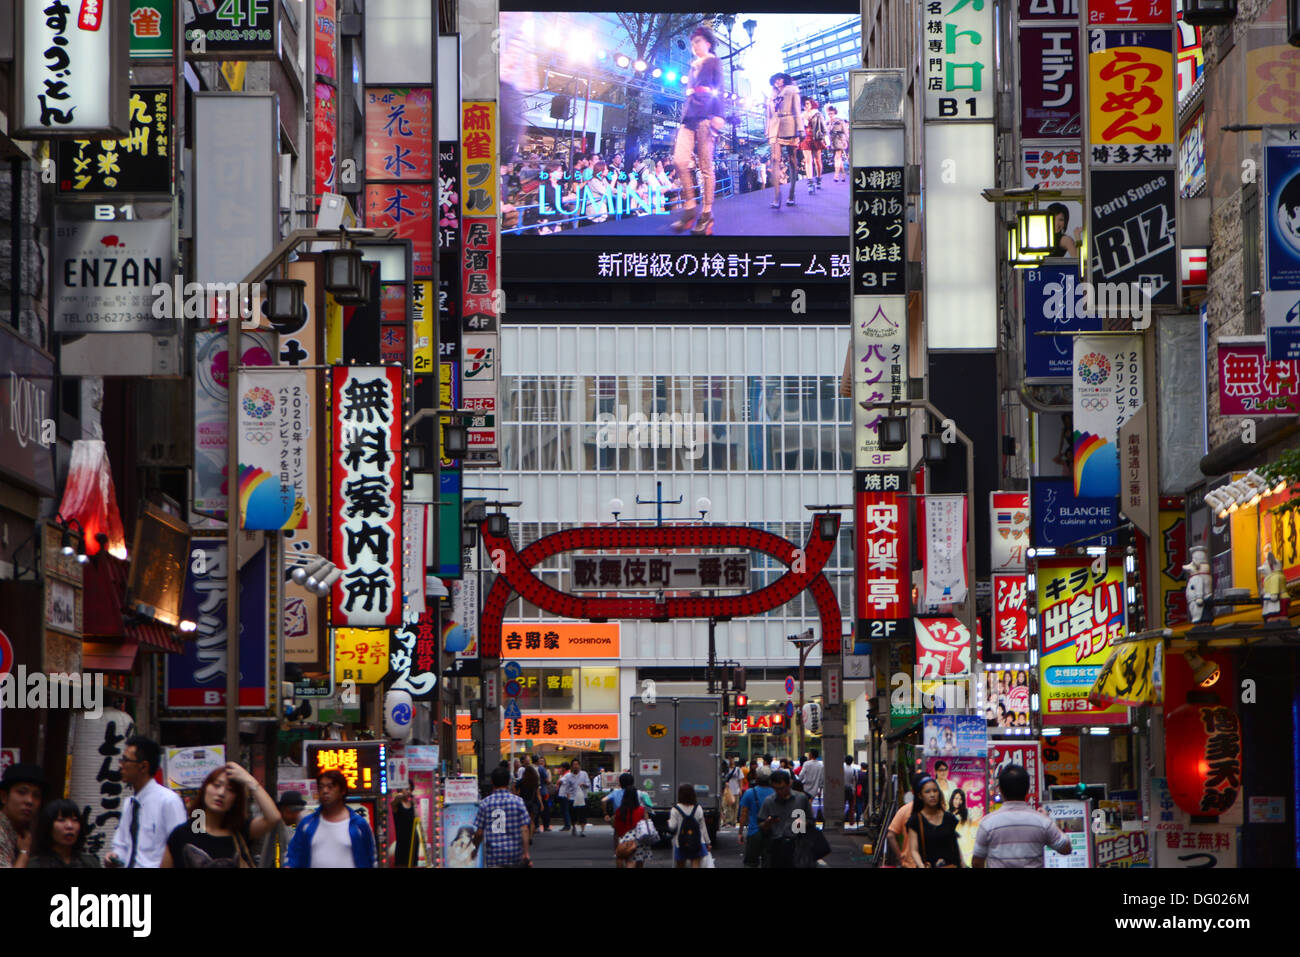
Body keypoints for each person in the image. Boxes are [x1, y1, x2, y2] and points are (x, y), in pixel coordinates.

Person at [163, 762, 280, 868]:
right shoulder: (181, 834)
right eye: (216, 785)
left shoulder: (240, 831)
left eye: (230, 789)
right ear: (205, 789)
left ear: (236, 799)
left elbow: (273, 817)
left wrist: (249, 780)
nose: (221, 793)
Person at [671, 26, 724, 235]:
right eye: (693, 43)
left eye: (698, 42)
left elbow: (720, 88)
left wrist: (718, 114)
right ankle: (690, 208)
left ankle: (706, 214)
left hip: (707, 115)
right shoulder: (692, 65)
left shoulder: (713, 62)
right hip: (688, 116)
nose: (694, 46)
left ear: (708, 43)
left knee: (705, 167)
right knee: (679, 160)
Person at [106, 736, 187, 868]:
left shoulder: (168, 801)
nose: (121, 765)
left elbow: (180, 846)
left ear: (143, 766)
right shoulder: (130, 803)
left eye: (125, 760)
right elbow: (121, 844)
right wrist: (114, 856)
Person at [972, 765, 1072, 868]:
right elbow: (1066, 848)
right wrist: (1048, 819)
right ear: (1028, 788)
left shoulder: (987, 823)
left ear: (1000, 790)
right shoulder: (1042, 821)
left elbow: (976, 862)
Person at [285, 770, 377, 868]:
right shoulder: (307, 824)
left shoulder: (359, 825)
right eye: (321, 787)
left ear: (343, 791)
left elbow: (371, 859)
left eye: (330, 787)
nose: (325, 791)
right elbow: (292, 855)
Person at [474, 765, 531, 868]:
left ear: (492, 782)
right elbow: (525, 829)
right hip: (515, 854)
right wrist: (526, 852)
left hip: (494, 855)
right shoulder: (518, 801)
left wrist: (475, 848)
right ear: (508, 781)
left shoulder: (485, 803)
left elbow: (479, 833)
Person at [758, 769, 814, 868]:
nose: (779, 792)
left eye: (782, 788)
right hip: (776, 847)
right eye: (776, 789)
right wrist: (768, 823)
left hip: (798, 845)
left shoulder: (801, 799)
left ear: (789, 784)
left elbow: (811, 820)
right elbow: (761, 825)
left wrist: (804, 824)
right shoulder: (769, 801)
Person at [27, 799, 100, 869]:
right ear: (48, 826)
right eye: (61, 820)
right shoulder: (35, 864)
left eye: (75, 820)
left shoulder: (90, 863)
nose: (70, 826)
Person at [906, 776, 962, 868]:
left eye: (935, 791)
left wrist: (962, 863)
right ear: (920, 795)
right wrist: (921, 866)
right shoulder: (915, 820)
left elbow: (955, 845)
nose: (932, 795)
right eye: (927, 792)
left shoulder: (949, 818)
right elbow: (914, 850)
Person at [767, 72, 802, 208]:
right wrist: (767, 129)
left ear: (785, 80)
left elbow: (798, 110)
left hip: (790, 125)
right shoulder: (771, 94)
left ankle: (792, 193)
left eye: (779, 79)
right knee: (775, 160)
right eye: (775, 79)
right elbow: (768, 114)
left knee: (792, 160)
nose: (777, 81)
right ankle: (776, 195)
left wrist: (801, 129)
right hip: (774, 127)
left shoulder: (792, 90)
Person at [0, 762, 44, 868]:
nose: (29, 801)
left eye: (36, 795)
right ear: (4, 797)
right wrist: (24, 852)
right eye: (22, 792)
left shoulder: (17, 831)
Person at [611, 776, 653, 868]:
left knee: (622, 858)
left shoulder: (619, 811)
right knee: (638, 861)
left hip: (624, 838)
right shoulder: (641, 810)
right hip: (639, 839)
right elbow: (647, 823)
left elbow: (616, 827)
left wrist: (616, 843)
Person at [738, 765, 775, 868]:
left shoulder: (750, 793)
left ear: (757, 778)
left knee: (750, 863)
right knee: (768, 862)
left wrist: (740, 832)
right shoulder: (775, 793)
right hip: (771, 832)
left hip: (754, 832)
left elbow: (743, 815)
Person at [886, 773, 925, 868]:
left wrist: (900, 857)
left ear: (912, 791)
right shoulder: (937, 812)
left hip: (909, 863)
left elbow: (890, 835)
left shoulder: (904, 810)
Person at [668, 783, 710, 868]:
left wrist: (668, 822)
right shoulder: (698, 808)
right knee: (695, 863)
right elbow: (703, 827)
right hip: (697, 841)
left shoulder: (675, 809)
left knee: (680, 865)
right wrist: (708, 842)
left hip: (680, 842)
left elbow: (672, 826)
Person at [261, 790, 306, 868]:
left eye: (282, 811)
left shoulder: (305, 828)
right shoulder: (302, 824)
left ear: (289, 811)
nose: (281, 814)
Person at [558, 759, 590, 836]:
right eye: (574, 765)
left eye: (577, 764)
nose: (575, 766)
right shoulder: (568, 776)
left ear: (579, 765)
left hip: (583, 797)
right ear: (571, 767)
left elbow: (588, 784)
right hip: (572, 797)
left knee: (583, 815)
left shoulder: (584, 774)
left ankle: (582, 831)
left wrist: (583, 784)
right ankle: (574, 827)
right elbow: (564, 784)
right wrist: (567, 795)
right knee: (573, 815)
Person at [801, 99, 827, 191]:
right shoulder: (802, 115)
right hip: (806, 138)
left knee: (817, 160)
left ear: (811, 104)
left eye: (807, 103)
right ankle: (810, 183)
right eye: (804, 104)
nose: (806, 105)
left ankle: (819, 179)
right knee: (808, 160)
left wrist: (825, 139)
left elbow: (824, 127)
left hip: (816, 138)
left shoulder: (817, 114)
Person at [797, 748, 825, 817]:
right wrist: (820, 790)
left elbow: (801, 775)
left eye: (809, 753)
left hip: (805, 788)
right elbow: (822, 779)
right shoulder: (821, 765)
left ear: (811, 755)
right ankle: (810, 818)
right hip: (814, 790)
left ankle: (808, 818)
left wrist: (798, 782)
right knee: (809, 804)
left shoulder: (806, 764)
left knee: (803, 805)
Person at [518, 761, 542, 835]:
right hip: (534, 802)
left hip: (523, 803)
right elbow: (538, 794)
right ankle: (530, 837)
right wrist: (541, 804)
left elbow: (518, 793)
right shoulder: (535, 782)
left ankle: (525, 835)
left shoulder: (521, 781)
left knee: (524, 821)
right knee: (532, 821)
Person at [827, 106, 848, 182]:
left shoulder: (840, 121)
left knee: (837, 157)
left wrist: (847, 141)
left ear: (835, 113)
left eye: (831, 113)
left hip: (840, 140)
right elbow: (827, 133)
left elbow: (845, 131)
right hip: (832, 141)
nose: (830, 115)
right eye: (829, 113)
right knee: (839, 159)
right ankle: (843, 175)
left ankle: (836, 176)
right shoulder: (828, 122)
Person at [723, 757, 743, 827]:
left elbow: (740, 780)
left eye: (732, 759)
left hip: (736, 791)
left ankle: (733, 821)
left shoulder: (738, 770)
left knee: (735, 807)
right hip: (727, 791)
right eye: (729, 759)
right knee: (727, 807)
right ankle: (728, 821)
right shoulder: (725, 769)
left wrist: (740, 789)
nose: (730, 760)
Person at [536, 757, 554, 832]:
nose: (541, 762)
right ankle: (546, 826)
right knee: (545, 809)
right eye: (540, 761)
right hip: (543, 792)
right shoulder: (542, 769)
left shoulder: (534, 768)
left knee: (537, 809)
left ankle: (537, 826)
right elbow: (548, 781)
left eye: (543, 761)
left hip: (538, 792)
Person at [843, 756, 858, 827]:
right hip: (851, 789)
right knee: (851, 806)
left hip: (843, 789)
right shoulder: (854, 770)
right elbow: (855, 780)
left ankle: (841, 820)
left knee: (842, 806)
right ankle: (851, 821)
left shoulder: (842, 768)